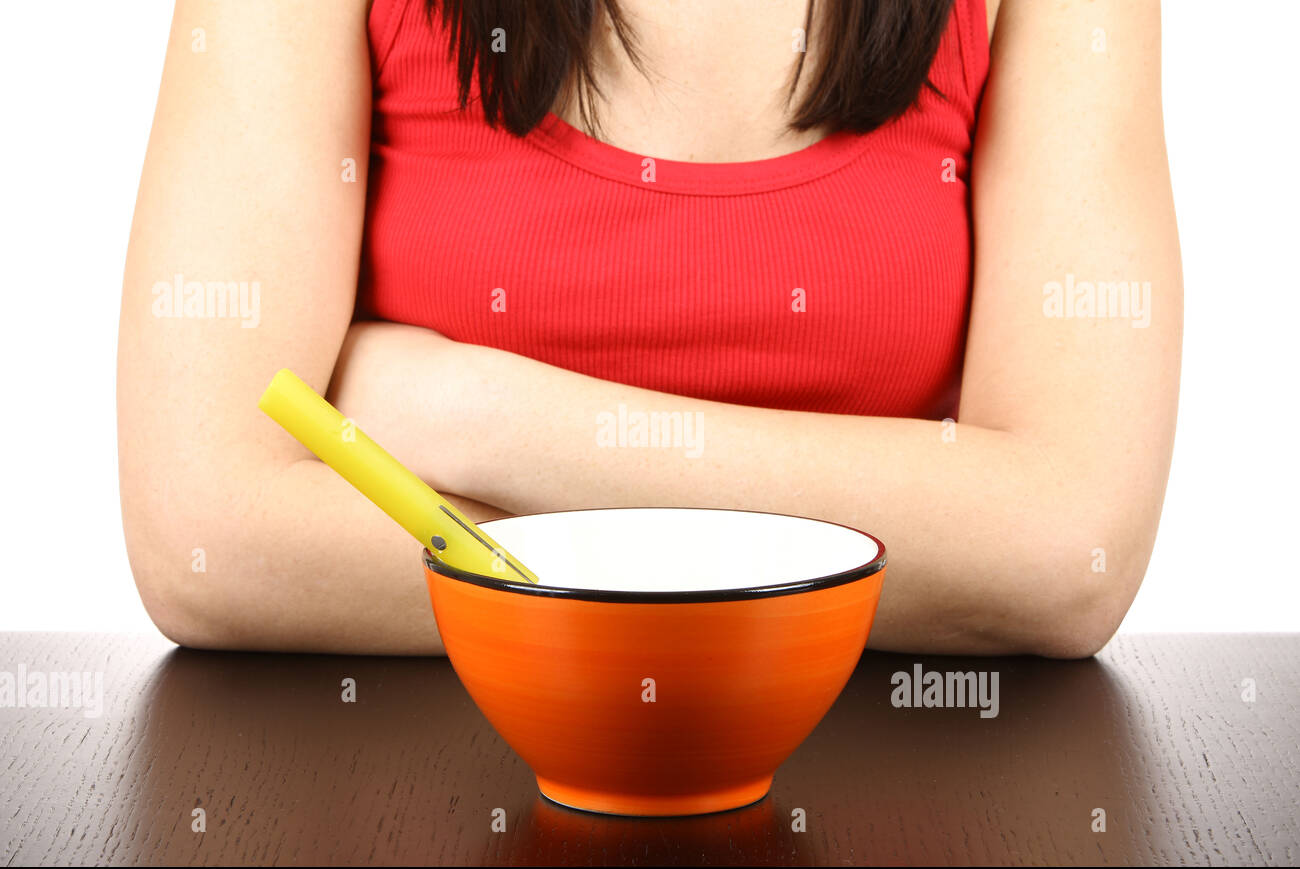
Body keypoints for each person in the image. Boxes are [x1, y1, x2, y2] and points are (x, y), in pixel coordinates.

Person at [117, 0, 1181, 657]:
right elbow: (207, 537)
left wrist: (485, 415)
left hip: (891, 779)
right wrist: (909, 543)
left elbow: (1062, 551)